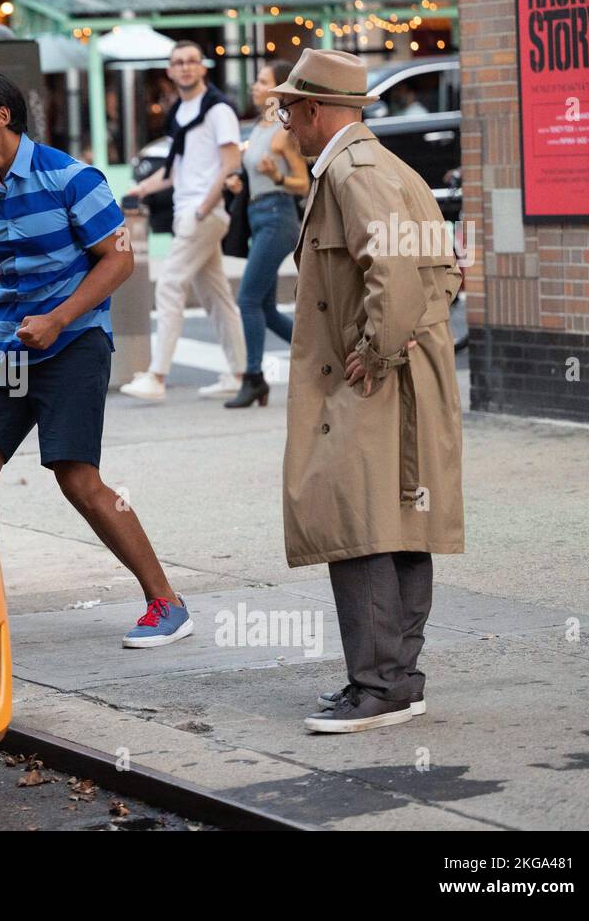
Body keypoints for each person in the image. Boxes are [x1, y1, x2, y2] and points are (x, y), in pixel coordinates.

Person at [0, 69, 191, 650]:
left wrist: (57, 318)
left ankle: (167, 603)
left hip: (74, 343)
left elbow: (119, 261)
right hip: (9, 348)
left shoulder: (72, 178)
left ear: (0, 116)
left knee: (76, 478)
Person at [270, 48, 464, 734]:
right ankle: (395, 679)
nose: (287, 122)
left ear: (316, 110)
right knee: (396, 516)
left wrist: (376, 349)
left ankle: (380, 685)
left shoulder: (354, 172)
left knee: (354, 520)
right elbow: (439, 267)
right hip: (399, 369)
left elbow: (396, 269)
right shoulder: (383, 167)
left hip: (378, 374)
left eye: (290, 109)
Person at [120, 40, 247, 402]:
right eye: (179, 62)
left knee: (170, 284)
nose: (186, 67)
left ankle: (157, 375)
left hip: (202, 213)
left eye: (192, 61)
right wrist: (141, 188)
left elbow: (230, 163)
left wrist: (204, 207)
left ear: (203, 68)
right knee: (216, 297)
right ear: (171, 70)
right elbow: (174, 170)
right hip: (189, 210)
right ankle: (239, 372)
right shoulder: (180, 110)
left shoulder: (218, 109)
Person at [223, 60, 310, 409]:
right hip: (259, 216)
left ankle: (255, 378)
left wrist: (276, 177)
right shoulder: (259, 128)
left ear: (278, 89)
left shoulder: (283, 134)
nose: (255, 87)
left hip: (278, 217)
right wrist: (239, 182)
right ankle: (320, 355)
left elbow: (303, 185)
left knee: (246, 300)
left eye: (262, 81)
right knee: (266, 308)